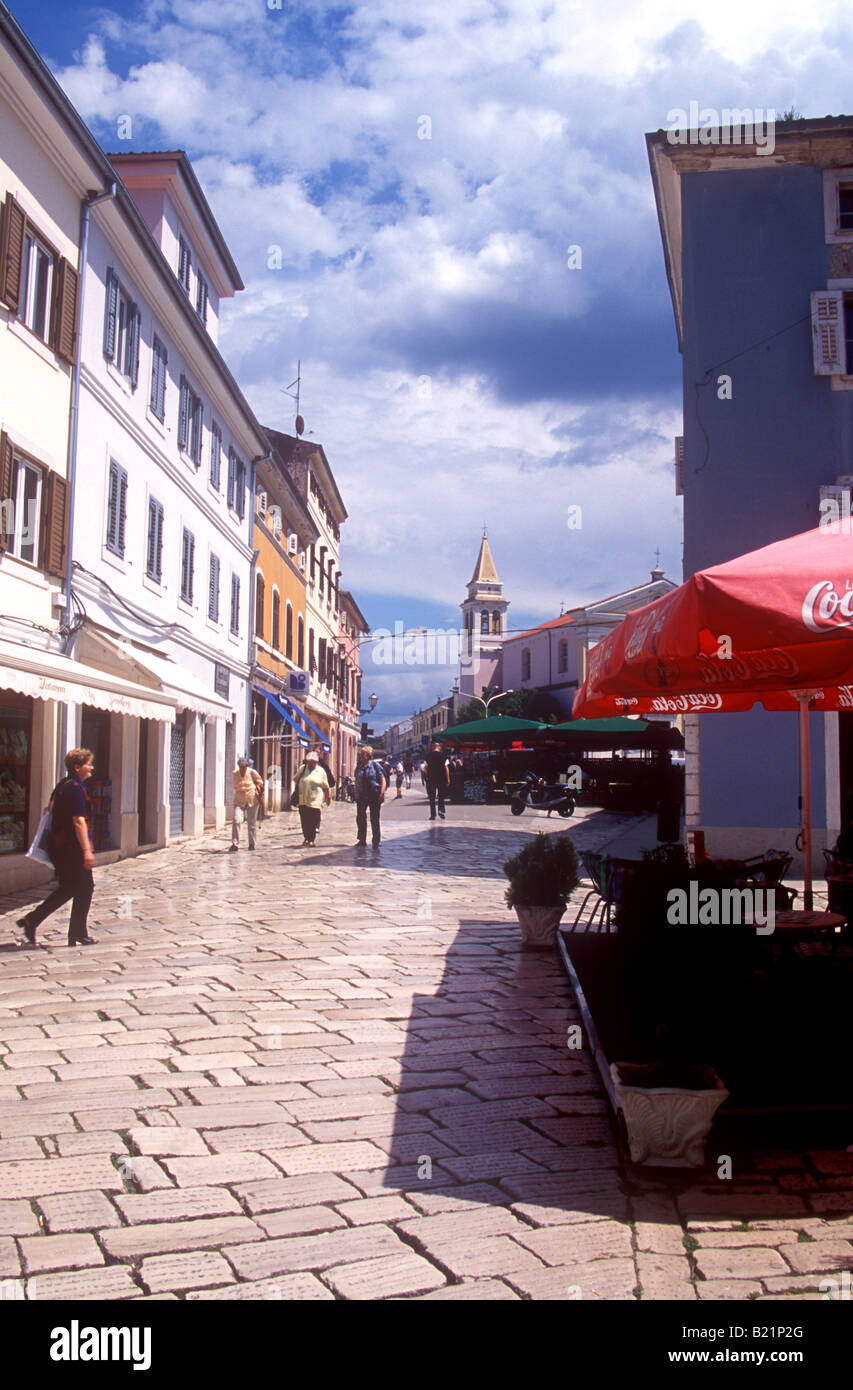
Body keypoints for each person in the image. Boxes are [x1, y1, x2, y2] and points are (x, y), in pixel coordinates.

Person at [17, 748, 98, 947]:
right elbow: (78, 820)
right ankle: (77, 933)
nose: (92, 767)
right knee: (85, 887)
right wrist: (86, 851)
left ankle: (33, 921)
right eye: (88, 764)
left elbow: (49, 809)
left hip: (60, 847)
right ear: (77, 767)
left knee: (71, 887)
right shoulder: (76, 788)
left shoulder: (63, 785)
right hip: (72, 848)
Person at [294, 749, 331, 846]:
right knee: (304, 820)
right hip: (303, 799)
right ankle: (306, 837)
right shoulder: (303, 768)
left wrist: (328, 797)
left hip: (315, 799)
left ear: (316, 762)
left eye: (313, 762)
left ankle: (311, 839)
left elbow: (326, 786)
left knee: (313, 820)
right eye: (309, 762)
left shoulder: (321, 771)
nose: (311, 764)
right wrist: (300, 776)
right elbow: (295, 779)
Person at [354, 745, 386, 847]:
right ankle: (362, 840)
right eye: (360, 754)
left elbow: (383, 779)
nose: (361, 756)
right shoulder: (359, 766)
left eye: (363, 754)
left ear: (368, 755)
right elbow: (356, 780)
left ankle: (376, 840)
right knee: (360, 818)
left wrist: (382, 793)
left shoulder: (375, 765)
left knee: (374, 818)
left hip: (374, 794)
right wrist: (355, 793)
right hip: (362, 795)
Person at [231, 756, 264, 851]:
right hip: (239, 800)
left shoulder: (252, 772)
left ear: (247, 766)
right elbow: (236, 786)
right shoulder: (235, 774)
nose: (243, 768)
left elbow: (260, 782)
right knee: (237, 820)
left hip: (252, 799)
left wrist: (258, 790)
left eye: (244, 766)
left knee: (252, 823)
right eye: (241, 766)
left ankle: (252, 844)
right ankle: (235, 843)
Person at [423, 741, 450, 820]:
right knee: (441, 796)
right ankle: (441, 811)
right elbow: (446, 768)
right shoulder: (443, 756)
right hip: (441, 778)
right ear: (439, 747)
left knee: (432, 797)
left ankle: (433, 814)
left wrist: (427, 776)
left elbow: (425, 768)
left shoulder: (427, 756)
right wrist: (448, 779)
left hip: (431, 779)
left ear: (433, 747)